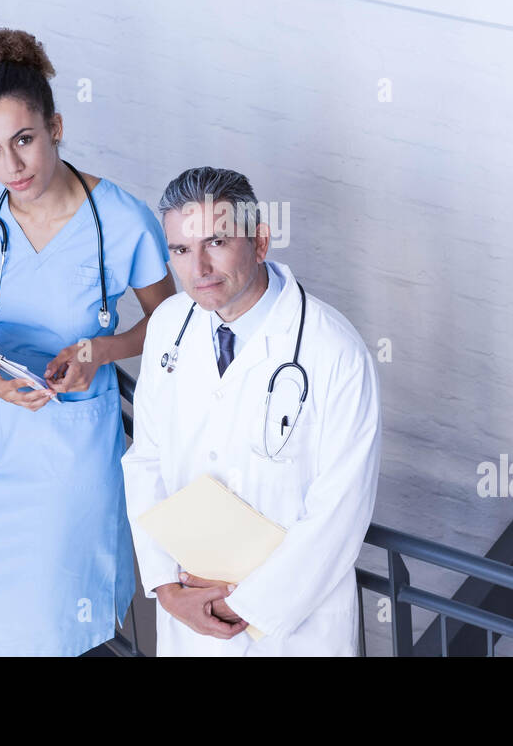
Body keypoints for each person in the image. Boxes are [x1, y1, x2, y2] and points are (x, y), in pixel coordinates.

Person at [0, 28, 175, 656]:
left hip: (71, 451)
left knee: (50, 624)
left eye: (24, 141)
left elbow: (172, 325)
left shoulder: (122, 220)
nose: (11, 167)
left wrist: (98, 352)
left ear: (55, 127)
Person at [121, 167, 382, 655]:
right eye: (180, 249)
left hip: (292, 629)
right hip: (189, 612)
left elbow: (341, 509)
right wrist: (165, 587)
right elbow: (146, 461)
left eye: (216, 242)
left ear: (260, 242)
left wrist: (252, 605)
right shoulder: (170, 326)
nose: (198, 267)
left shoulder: (335, 351)